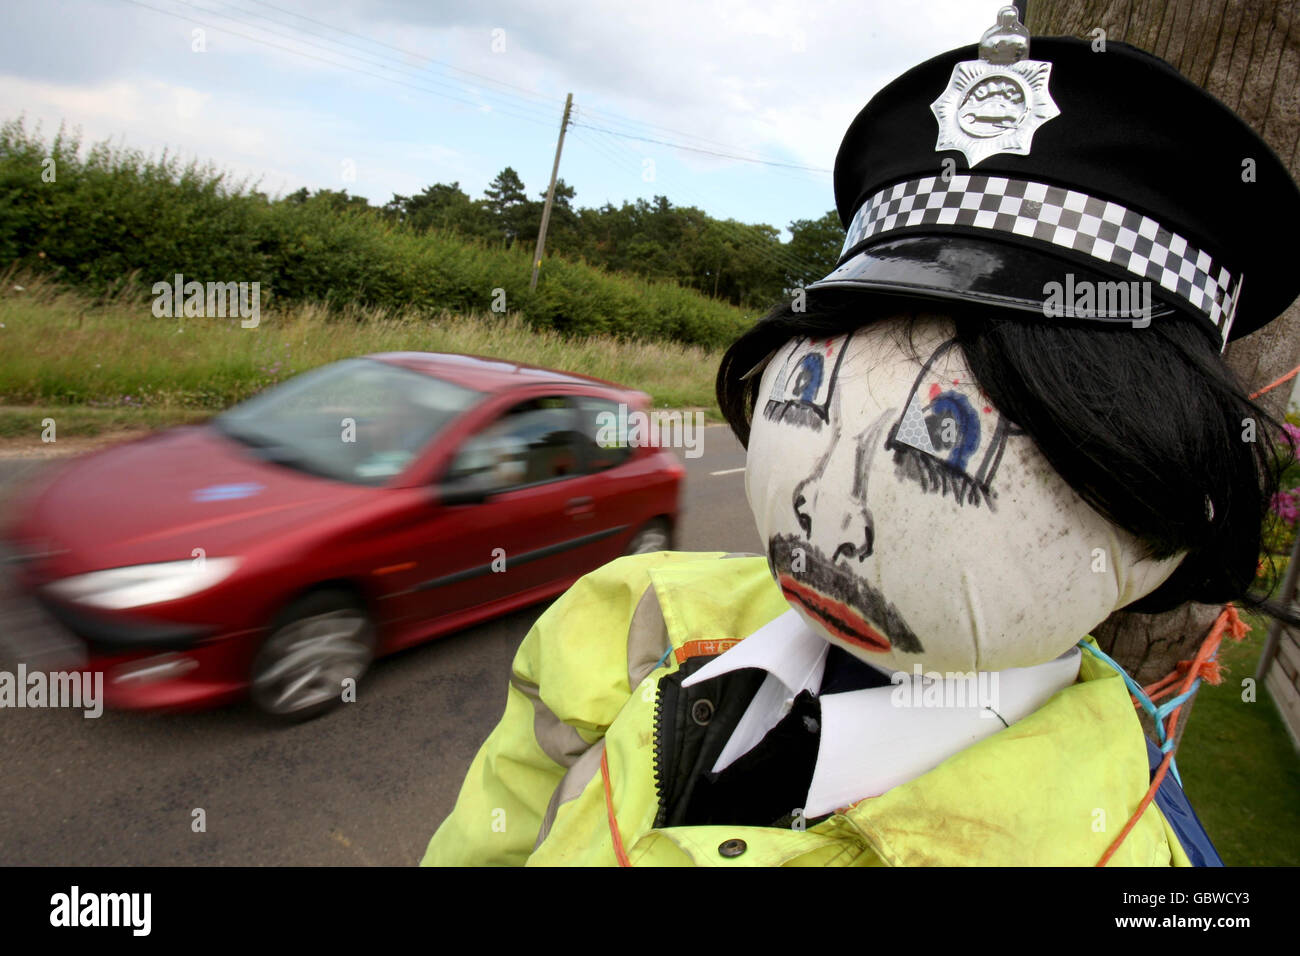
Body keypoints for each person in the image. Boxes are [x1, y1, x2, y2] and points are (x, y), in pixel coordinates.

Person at [421, 9, 1299, 866]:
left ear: (1163, 529)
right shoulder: (632, 615)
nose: (821, 510)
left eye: (947, 441)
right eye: (809, 393)